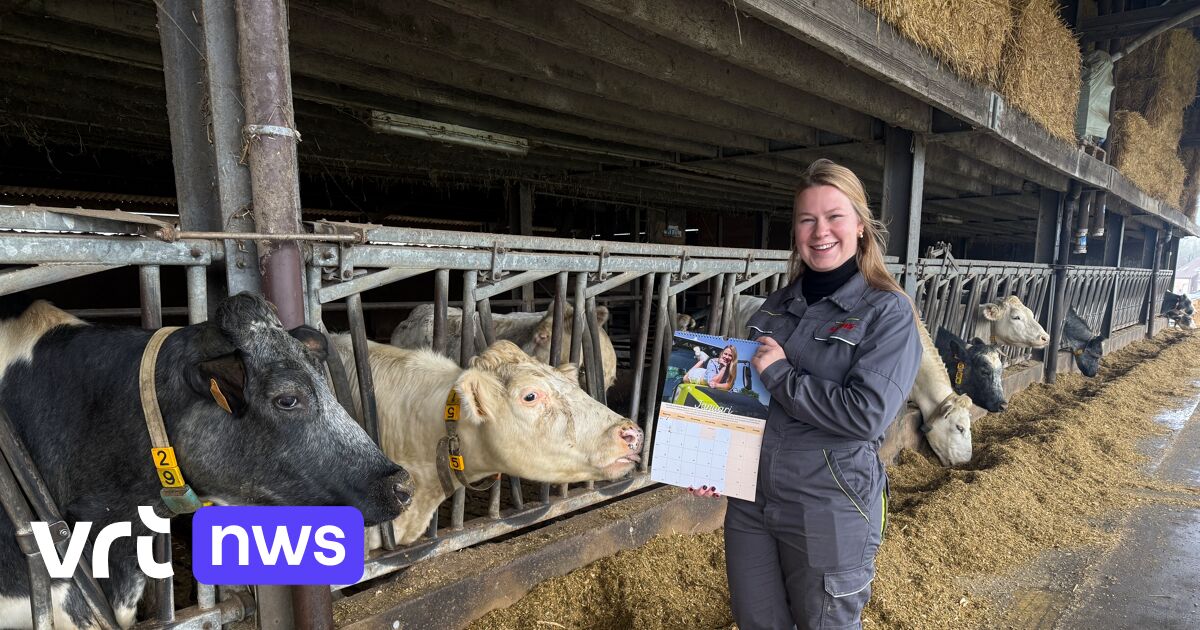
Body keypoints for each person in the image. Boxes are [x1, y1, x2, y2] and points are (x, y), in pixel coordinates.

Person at [691, 159, 922, 629]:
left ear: (860, 226)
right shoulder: (775, 307)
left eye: (835, 216)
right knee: (757, 621)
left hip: (829, 504)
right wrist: (710, 459)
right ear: (795, 230)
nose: (821, 231)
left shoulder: (887, 312)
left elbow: (866, 415)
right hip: (752, 504)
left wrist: (780, 374)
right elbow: (744, 401)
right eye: (807, 219)